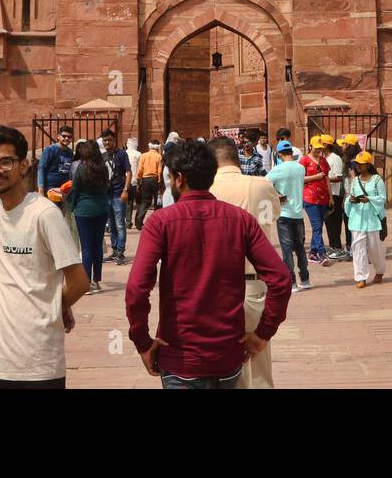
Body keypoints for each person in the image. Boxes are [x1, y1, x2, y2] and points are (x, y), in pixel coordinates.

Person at [125, 139, 291, 390]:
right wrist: (263, 334)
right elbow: (281, 279)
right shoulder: (240, 220)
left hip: (180, 357)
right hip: (227, 356)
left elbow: (137, 289)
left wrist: (143, 342)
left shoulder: (161, 222)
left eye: (170, 178)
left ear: (179, 178)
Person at [0, 125, 89, 388]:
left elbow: (79, 281)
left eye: (6, 162)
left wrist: (54, 305)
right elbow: (2, 275)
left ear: (23, 165)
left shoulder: (43, 213)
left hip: (39, 361)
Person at [207, 135, 282, 388]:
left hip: (214, 288)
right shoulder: (261, 184)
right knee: (259, 369)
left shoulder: (204, 189)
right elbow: (273, 216)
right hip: (253, 284)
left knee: (223, 367)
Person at [67, 139, 111, 294]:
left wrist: (70, 204)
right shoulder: (104, 169)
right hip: (101, 207)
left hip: (84, 209)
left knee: (86, 247)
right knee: (97, 245)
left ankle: (86, 282)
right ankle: (96, 281)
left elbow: (75, 190)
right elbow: (107, 188)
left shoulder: (81, 168)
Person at [266, 141, 310, 291]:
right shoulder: (301, 168)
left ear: (279, 154)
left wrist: (276, 194)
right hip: (298, 213)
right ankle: (305, 279)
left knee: (287, 249)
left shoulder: (278, 169)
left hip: (284, 213)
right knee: (300, 248)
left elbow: (264, 183)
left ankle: (292, 282)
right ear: (291, 152)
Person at [344, 152, 386, 289]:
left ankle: (379, 271)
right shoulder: (355, 181)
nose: (358, 166)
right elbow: (350, 196)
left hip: (372, 219)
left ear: (368, 165)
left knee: (375, 249)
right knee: (358, 249)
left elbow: (382, 198)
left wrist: (370, 199)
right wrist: (351, 200)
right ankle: (360, 276)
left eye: (361, 164)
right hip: (357, 219)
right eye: (357, 164)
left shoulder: (377, 180)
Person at [100, 129, 132, 265]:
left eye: (109, 140)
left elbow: (128, 172)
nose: (107, 142)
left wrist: (125, 190)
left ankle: (120, 252)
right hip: (106, 195)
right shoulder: (102, 156)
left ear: (114, 140)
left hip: (118, 194)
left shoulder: (121, 154)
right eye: (105, 140)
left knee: (119, 225)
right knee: (111, 225)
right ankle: (114, 250)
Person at [301, 136, 332, 264]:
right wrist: (315, 176)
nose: (318, 150)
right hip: (310, 198)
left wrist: (331, 197)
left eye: (320, 148)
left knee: (318, 226)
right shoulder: (304, 161)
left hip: (323, 197)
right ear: (310, 146)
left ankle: (312, 253)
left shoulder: (323, 161)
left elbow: (327, 179)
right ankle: (322, 253)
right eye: (316, 147)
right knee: (316, 225)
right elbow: (301, 179)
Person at [324, 136, 352, 260]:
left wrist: (324, 179)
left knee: (335, 222)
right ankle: (333, 246)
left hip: (335, 194)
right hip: (327, 193)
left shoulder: (335, 159)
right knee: (329, 222)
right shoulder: (326, 158)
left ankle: (337, 247)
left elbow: (339, 177)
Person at [133, 140, 164, 228]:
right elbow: (160, 170)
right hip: (155, 180)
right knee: (157, 202)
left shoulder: (143, 155)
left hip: (145, 179)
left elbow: (140, 170)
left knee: (145, 201)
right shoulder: (159, 156)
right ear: (157, 147)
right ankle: (156, 222)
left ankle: (139, 221)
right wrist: (159, 181)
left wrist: (139, 180)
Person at [37, 125, 75, 196]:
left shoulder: (70, 152)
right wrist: (40, 189)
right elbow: (41, 168)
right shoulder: (50, 150)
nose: (66, 138)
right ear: (58, 136)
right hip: (50, 188)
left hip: (64, 188)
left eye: (69, 137)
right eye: (64, 136)